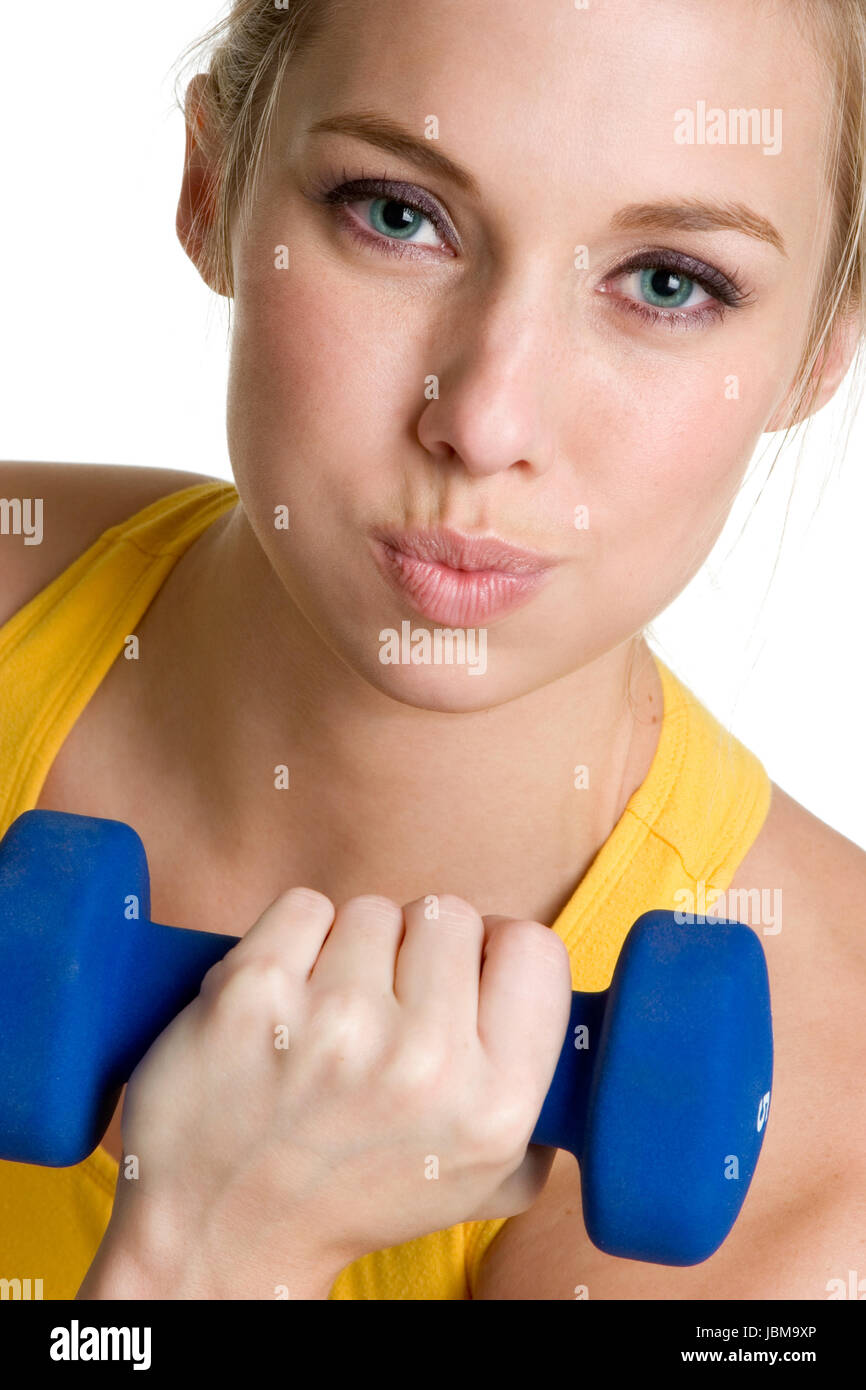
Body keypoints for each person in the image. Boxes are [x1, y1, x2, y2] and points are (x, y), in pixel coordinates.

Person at [0, 0, 864, 1301]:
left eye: (667, 282)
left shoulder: (819, 1177)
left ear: (816, 352)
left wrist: (216, 1257)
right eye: (397, 213)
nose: (483, 417)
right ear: (208, 184)